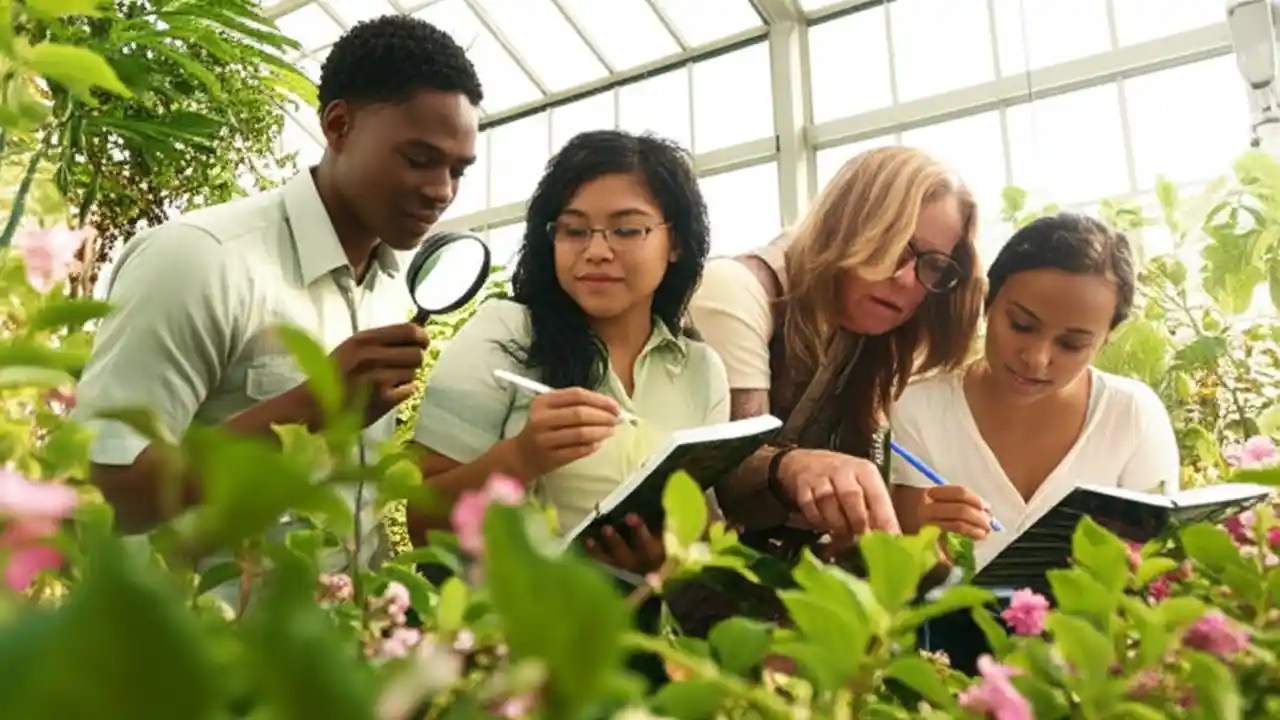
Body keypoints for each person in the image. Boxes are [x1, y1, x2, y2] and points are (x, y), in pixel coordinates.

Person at [72, 16, 483, 567]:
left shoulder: (385, 292)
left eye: (458, 170)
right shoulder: (200, 259)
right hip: (202, 640)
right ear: (338, 126)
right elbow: (101, 496)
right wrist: (307, 406)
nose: (441, 191)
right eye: (419, 159)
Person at [407, 129, 725, 574]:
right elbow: (419, 520)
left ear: (676, 243)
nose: (596, 251)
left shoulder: (699, 369)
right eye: (574, 230)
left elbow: (706, 530)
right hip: (503, 631)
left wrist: (667, 558)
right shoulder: (506, 334)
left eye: (627, 230)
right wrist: (521, 458)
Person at [687, 146, 985, 548]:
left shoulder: (872, 337)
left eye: (932, 265)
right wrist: (792, 468)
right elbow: (726, 477)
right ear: (845, 224)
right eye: (893, 243)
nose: (905, 278)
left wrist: (908, 522)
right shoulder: (738, 290)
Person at [889, 211, 1180, 568]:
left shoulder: (1132, 415)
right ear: (988, 303)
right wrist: (908, 528)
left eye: (1071, 345)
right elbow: (897, 571)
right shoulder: (917, 407)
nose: (1037, 359)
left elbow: (1158, 561)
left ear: (1104, 342)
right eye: (1022, 325)